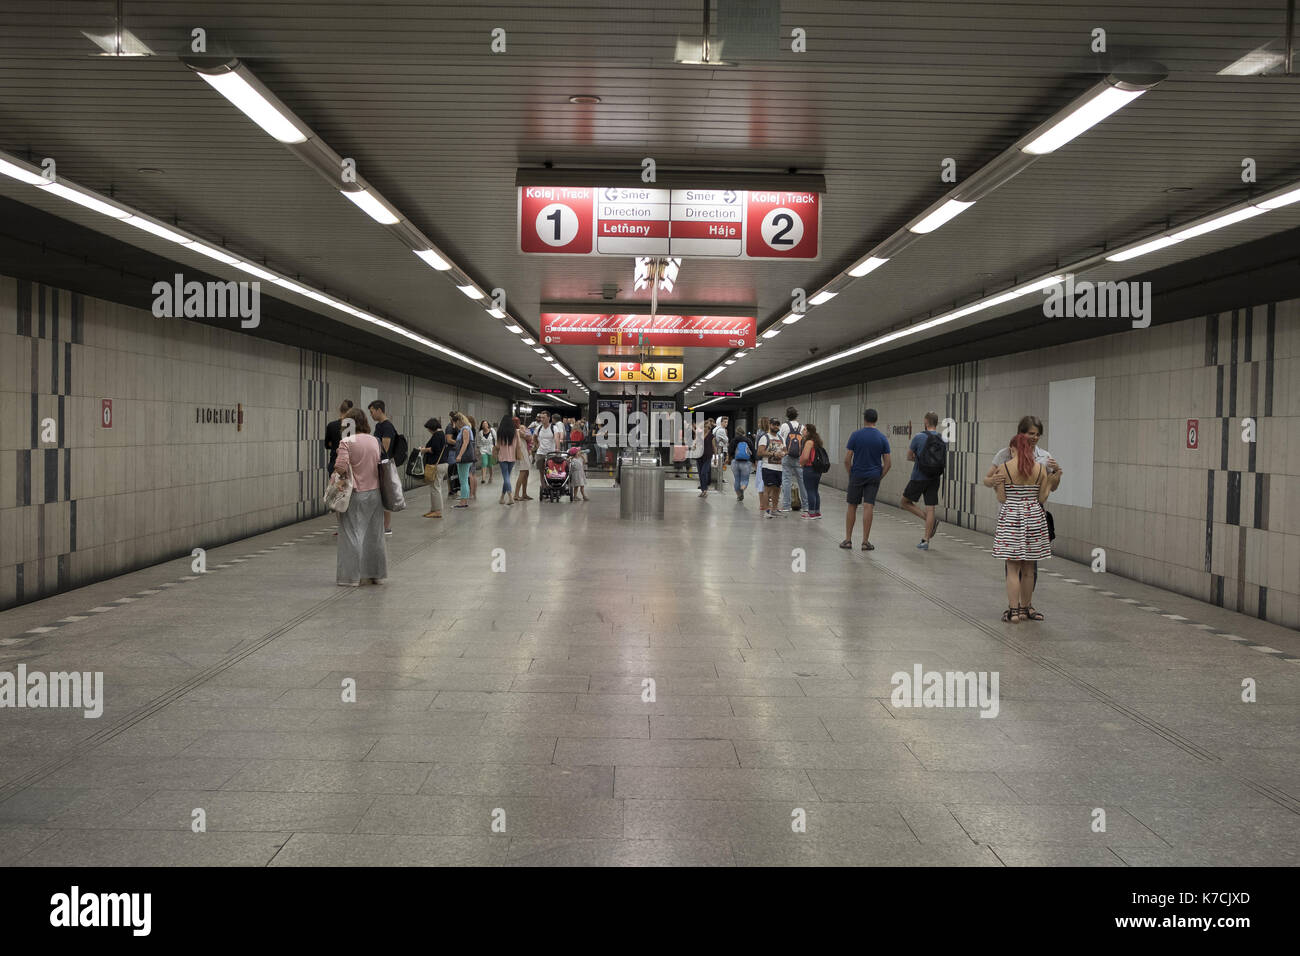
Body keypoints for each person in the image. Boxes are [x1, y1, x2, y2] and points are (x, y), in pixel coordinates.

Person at [989, 416, 1063, 603]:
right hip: (1030, 515)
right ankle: (1021, 606)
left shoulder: (1045, 457)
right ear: (1021, 433)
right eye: (1031, 434)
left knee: (1021, 566)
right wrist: (993, 481)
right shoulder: (1004, 454)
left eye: (1038, 434)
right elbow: (988, 479)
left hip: (1014, 515)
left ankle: (1018, 607)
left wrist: (1055, 473)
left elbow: (1052, 487)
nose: (1035, 438)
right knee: (1024, 566)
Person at [987, 432, 1052, 622]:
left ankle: (1013, 611)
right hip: (1034, 517)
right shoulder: (1040, 469)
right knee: (1029, 568)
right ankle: (1025, 608)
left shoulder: (1004, 468)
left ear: (1013, 448)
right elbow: (1042, 497)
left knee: (1013, 568)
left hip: (1012, 517)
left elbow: (1001, 498)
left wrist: (996, 485)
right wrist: (1051, 482)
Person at [333, 408, 387, 586]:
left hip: (355, 494)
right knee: (375, 535)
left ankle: (351, 577)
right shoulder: (374, 440)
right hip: (375, 492)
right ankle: (376, 575)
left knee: (352, 534)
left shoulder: (347, 441)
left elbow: (340, 466)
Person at [841, 408, 891, 550]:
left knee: (852, 505)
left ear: (865, 419)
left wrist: (851, 474)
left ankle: (848, 540)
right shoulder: (882, 438)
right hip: (873, 476)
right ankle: (865, 542)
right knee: (869, 506)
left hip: (857, 474)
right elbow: (888, 463)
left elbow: (847, 459)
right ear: (876, 420)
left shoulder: (856, 435)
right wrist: (879, 475)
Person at [902, 412, 945, 549]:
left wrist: (919, 460)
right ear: (936, 423)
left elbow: (909, 456)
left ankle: (928, 520)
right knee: (930, 508)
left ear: (926, 422)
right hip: (935, 477)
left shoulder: (919, 436)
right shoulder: (942, 438)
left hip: (919, 476)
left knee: (905, 502)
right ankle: (926, 540)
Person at [324, 399, 353, 534]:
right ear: (350, 411)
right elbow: (353, 445)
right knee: (349, 494)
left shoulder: (331, 425)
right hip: (349, 464)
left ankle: (340, 526)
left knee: (337, 494)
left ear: (339, 410)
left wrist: (335, 445)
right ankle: (350, 524)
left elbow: (327, 444)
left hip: (334, 463)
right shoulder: (351, 426)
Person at [368, 400, 397, 536]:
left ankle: (386, 527)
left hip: (384, 465)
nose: (371, 414)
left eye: (372, 411)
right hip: (378, 465)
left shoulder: (387, 427)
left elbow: (384, 448)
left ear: (379, 410)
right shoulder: (379, 426)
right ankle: (381, 525)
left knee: (385, 495)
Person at [778, 406, 803, 513]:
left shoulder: (784, 426)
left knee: (786, 480)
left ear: (787, 415)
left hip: (787, 455)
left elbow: (780, 440)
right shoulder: (802, 427)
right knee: (802, 481)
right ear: (797, 415)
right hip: (799, 457)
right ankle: (806, 506)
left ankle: (786, 506)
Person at [758, 419, 786, 517]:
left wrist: (783, 453)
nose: (776, 427)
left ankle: (774, 509)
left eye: (778, 425)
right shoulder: (764, 437)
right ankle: (767, 511)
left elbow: (785, 450)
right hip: (768, 467)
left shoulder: (781, 438)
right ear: (770, 425)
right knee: (767, 489)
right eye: (774, 425)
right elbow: (760, 452)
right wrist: (773, 454)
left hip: (779, 468)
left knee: (777, 489)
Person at [419, 417, 445, 518]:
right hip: (441, 464)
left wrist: (423, 450)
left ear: (432, 427)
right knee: (434, 487)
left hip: (437, 465)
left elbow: (434, 449)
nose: (428, 430)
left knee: (436, 488)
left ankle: (437, 511)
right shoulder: (441, 434)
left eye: (429, 428)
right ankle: (434, 509)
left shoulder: (437, 435)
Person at [494, 414, 520, 505]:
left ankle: (510, 497)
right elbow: (518, 445)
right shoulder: (515, 431)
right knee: (507, 477)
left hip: (502, 457)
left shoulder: (500, 431)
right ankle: (502, 497)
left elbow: (497, 445)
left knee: (506, 477)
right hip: (512, 457)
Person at [800, 423, 824, 519]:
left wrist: (800, 463)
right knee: (815, 490)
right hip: (817, 469)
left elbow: (805, 457)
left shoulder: (809, 442)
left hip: (809, 468)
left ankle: (811, 513)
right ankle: (817, 512)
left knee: (809, 490)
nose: (802, 431)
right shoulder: (817, 442)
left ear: (809, 432)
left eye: (805, 429)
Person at [452, 413, 475, 509]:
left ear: (458, 421)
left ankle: (463, 502)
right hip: (466, 458)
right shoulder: (466, 428)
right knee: (464, 480)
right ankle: (464, 500)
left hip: (464, 458)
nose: (455, 425)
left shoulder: (465, 429)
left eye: (455, 422)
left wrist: (460, 455)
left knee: (463, 480)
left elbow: (465, 443)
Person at [514, 417, 535, 500]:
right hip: (522, 453)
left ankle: (524, 493)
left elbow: (530, 437)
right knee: (522, 473)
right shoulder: (517, 431)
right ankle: (516, 494)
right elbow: (529, 437)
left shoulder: (519, 430)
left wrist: (526, 430)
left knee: (526, 473)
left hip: (525, 452)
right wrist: (526, 430)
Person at [730, 426, 753, 501]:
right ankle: (742, 487)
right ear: (744, 433)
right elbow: (753, 451)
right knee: (744, 479)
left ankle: (739, 495)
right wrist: (754, 461)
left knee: (737, 479)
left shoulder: (733, 440)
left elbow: (730, 451)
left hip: (735, 462)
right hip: (746, 462)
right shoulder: (748, 440)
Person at [567, 424, 589, 502]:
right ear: (575, 453)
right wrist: (570, 457)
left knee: (582, 486)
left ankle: (583, 496)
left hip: (581, 474)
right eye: (578, 451)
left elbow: (585, 462)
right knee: (576, 486)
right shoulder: (573, 459)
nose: (579, 452)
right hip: (576, 474)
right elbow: (568, 463)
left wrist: (582, 456)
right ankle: (577, 496)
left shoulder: (580, 458)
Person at [697, 418, 715, 497]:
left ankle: (705, 489)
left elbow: (714, 447)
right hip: (699, 456)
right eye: (705, 427)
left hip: (708, 456)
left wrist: (715, 458)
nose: (706, 429)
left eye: (708, 427)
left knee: (704, 472)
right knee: (700, 474)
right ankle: (703, 490)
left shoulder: (712, 436)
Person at [712, 417, 729, 490]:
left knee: (719, 465)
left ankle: (718, 479)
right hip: (720, 449)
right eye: (725, 422)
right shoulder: (721, 430)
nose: (726, 424)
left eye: (727, 422)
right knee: (721, 465)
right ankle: (719, 479)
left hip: (717, 449)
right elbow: (726, 440)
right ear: (721, 422)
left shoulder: (715, 429)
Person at [479, 418, 497, 486]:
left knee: (490, 464)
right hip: (483, 449)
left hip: (491, 448)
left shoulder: (492, 431)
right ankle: (483, 478)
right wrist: (479, 449)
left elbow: (496, 439)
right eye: (483, 424)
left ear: (488, 425)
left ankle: (491, 476)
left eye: (486, 423)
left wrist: (496, 448)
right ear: (482, 425)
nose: (484, 425)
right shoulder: (480, 433)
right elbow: (479, 441)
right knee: (484, 463)